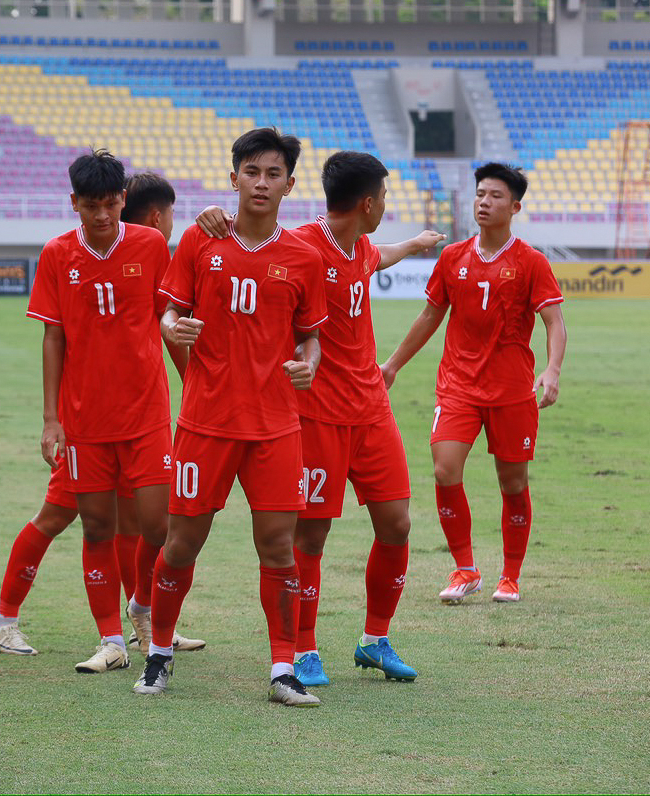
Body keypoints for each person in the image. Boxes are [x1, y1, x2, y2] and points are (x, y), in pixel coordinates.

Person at [195, 151, 444, 687]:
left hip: (372, 409)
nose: (385, 210)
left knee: (397, 523)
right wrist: (213, 216)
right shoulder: (303, 244)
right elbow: (252, 237)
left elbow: (382, 255)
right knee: (310, 537)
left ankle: (375, 639)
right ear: (368, 203)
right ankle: (304, 649)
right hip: (314, 414)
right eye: (384, 200)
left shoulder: (359, 246)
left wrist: (417, 245)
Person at [133, 127, 328, 707]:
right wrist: (175, 327)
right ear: (235, 176)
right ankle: (159, 654)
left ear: (290, 184)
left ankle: (283, 669)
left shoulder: (304, 258)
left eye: (273, 174)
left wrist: (308, 365)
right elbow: (168, 313)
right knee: (183, 542)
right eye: (251, 171)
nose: (261, 182)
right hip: (206, 422)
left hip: (274, 427)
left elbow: (310, 338)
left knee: (278, 546)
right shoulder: (200, 240)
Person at [0, 172, 205, 659]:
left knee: (153, 526)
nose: (101, 215)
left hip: (143, 415)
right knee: (84, 523)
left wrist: (196, 387)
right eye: (90, 206)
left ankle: (142, 614)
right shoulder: (58, 254)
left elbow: (168, 321)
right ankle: (102, 631)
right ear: (74, 203)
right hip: (84, 422)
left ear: (122, 201)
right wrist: (51, 418)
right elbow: (53, 336)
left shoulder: (149, 247)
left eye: (109, 205)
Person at [380, 162, 566, 605]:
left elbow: (554, 321)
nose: (484, 202)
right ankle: (465, 567)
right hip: (458, 386)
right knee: (445, 469)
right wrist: (392, 365)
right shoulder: (452, 257)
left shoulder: (531, 262)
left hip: (512, 391)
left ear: (515, 205)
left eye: (495, 196)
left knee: (513, 483)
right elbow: (430, 316)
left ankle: (511, 575)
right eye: (480, 194)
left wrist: (552, 369)